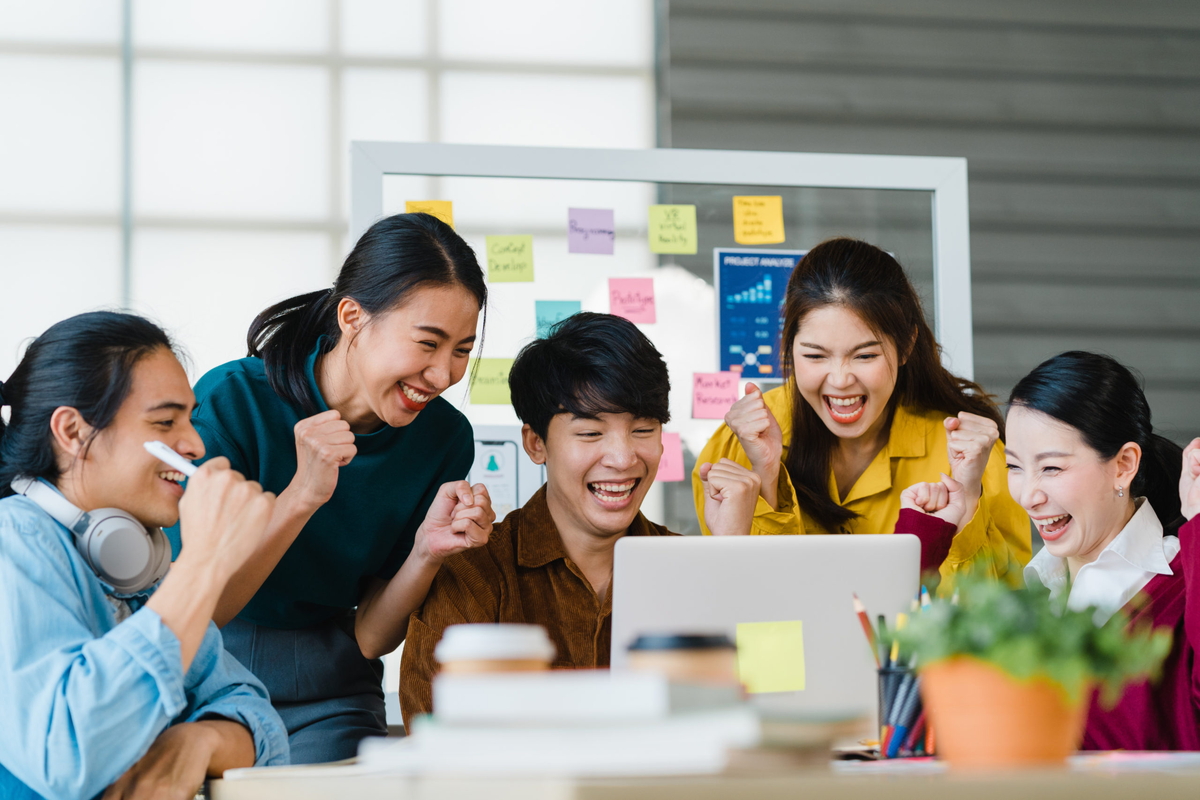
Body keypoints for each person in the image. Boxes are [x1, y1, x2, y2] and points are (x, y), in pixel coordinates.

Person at [169, 213, 496, 762]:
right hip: (206, 670)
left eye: (461, 350)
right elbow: (199, 605)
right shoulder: (232, 401)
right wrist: (302, 494)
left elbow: (370, 636)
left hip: (332, 690)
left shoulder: (444, 439)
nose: (443, 376)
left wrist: (427, 552)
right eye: (427, 343)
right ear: (352, 317)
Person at [400, 313, 760, 728]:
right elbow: (439, 736)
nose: (623, 459)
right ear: (536, 443)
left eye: (643, 430)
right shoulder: (475, 570)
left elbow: (754, 713)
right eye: (590, 433)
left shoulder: (690, 567)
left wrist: (730, 553)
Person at [0, 312, 288, 800]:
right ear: (72, 431)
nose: (195, 444)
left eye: (190, 419)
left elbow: (262, 726)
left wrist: (198, 742)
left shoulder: (137, 568)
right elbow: (70, 757)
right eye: (165, 421)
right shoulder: (14, 539)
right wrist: (203, 561)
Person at [898, 351, 1198, 749]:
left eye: (1052, 468)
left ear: (1124, 465)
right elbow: (899, 695)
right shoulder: (1029, 600)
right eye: (1015, 467)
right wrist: (931, 534)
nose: (1028, 496)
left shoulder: (1183, 589)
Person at [692, 237, 1030, 587]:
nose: (840, 380)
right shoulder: (740, 445)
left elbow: (1001, 609)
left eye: (865, 356)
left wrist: (967, 501)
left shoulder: (971, 459)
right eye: (815, 356)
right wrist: (765, 476)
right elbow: (738, 594)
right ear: (789, 348)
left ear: (906, 346)